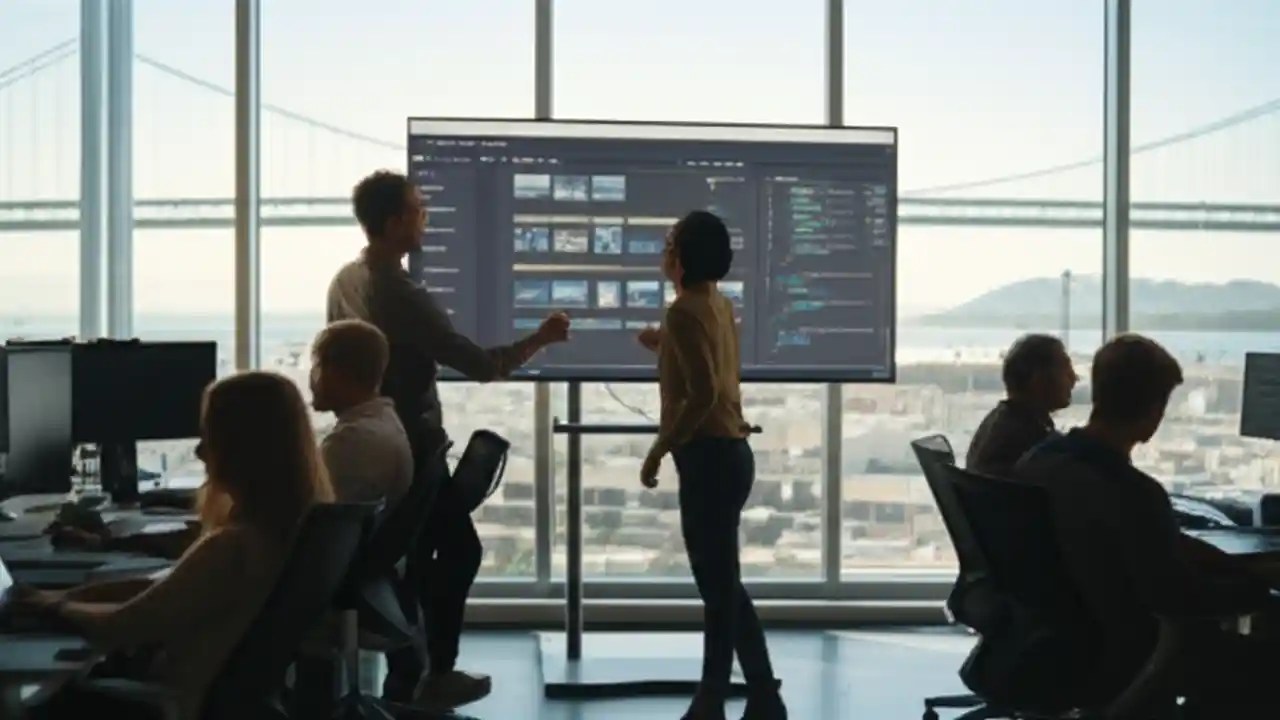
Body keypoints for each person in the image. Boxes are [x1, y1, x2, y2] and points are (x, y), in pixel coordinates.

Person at [327, 170, 570, 710]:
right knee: (452, 551)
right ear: (394, 224)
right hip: (413, 450)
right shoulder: (403, 294)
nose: (425, 219)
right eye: (418, 210)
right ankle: (428, 673)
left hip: (383, 441)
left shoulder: (347, 280)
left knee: (419, 557)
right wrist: (543, 338)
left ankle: (418, 672)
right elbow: (483, 364)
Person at [10, 371, 335, 720]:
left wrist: (54, 608)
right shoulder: (286, 530)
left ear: (243, 447)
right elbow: (165, 590)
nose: (198, 450)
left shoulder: (232, 548)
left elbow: (120, 625)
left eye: (210, 435)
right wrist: (66, 597)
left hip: (173, 703)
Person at [1014, 335, 1275, 712]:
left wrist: (1231, 565)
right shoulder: (1132, 492)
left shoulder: (1037, 462)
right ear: (1155, 412)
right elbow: (1178, 597)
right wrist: (1257, 588)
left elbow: (1150, 546)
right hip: (1132, 652)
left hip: (1058, 639)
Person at [637, 210, 786, 720]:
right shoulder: (717, 304)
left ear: (680, 258)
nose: (664, 253)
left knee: (719, 586)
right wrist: (663, 345)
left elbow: (701, 393)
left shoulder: (683, 312)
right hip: (731, 452)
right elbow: (716, 368)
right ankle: (725, 696)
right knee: (722, 584)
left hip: (706, 457)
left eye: (668, 244)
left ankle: (749, 695)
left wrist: (659, 449)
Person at [311, 319, 414, 505]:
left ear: (337, 372)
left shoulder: (350, 442)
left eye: (317, 365)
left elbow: (305, 515)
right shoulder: (383, 422)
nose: (312, 376)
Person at [966, 333, 1076, 476]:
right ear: (1038, 380)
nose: (1074, 378)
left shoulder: (996, 425)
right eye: (1065, 370)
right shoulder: (1036, 445)